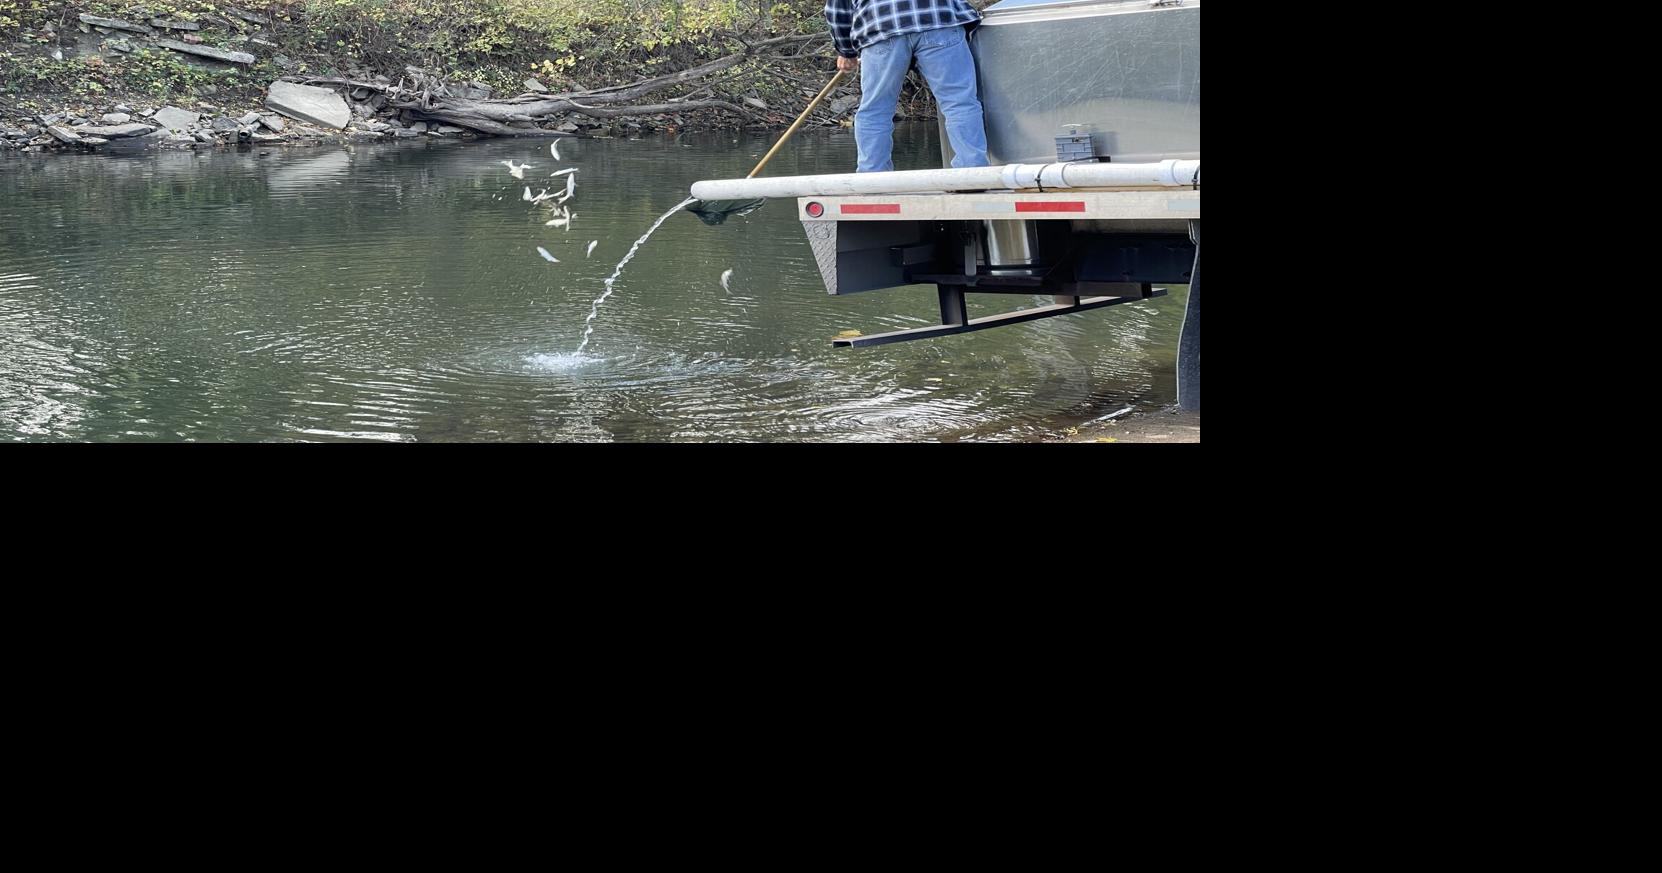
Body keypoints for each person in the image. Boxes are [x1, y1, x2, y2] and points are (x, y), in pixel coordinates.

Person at [824, 0, 990, 173]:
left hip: (880, 26)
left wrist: (846, 51)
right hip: (938, 21)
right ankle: (973, 171)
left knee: (875, 110)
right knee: (959, 103)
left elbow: (837, 9)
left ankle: (872, 177)